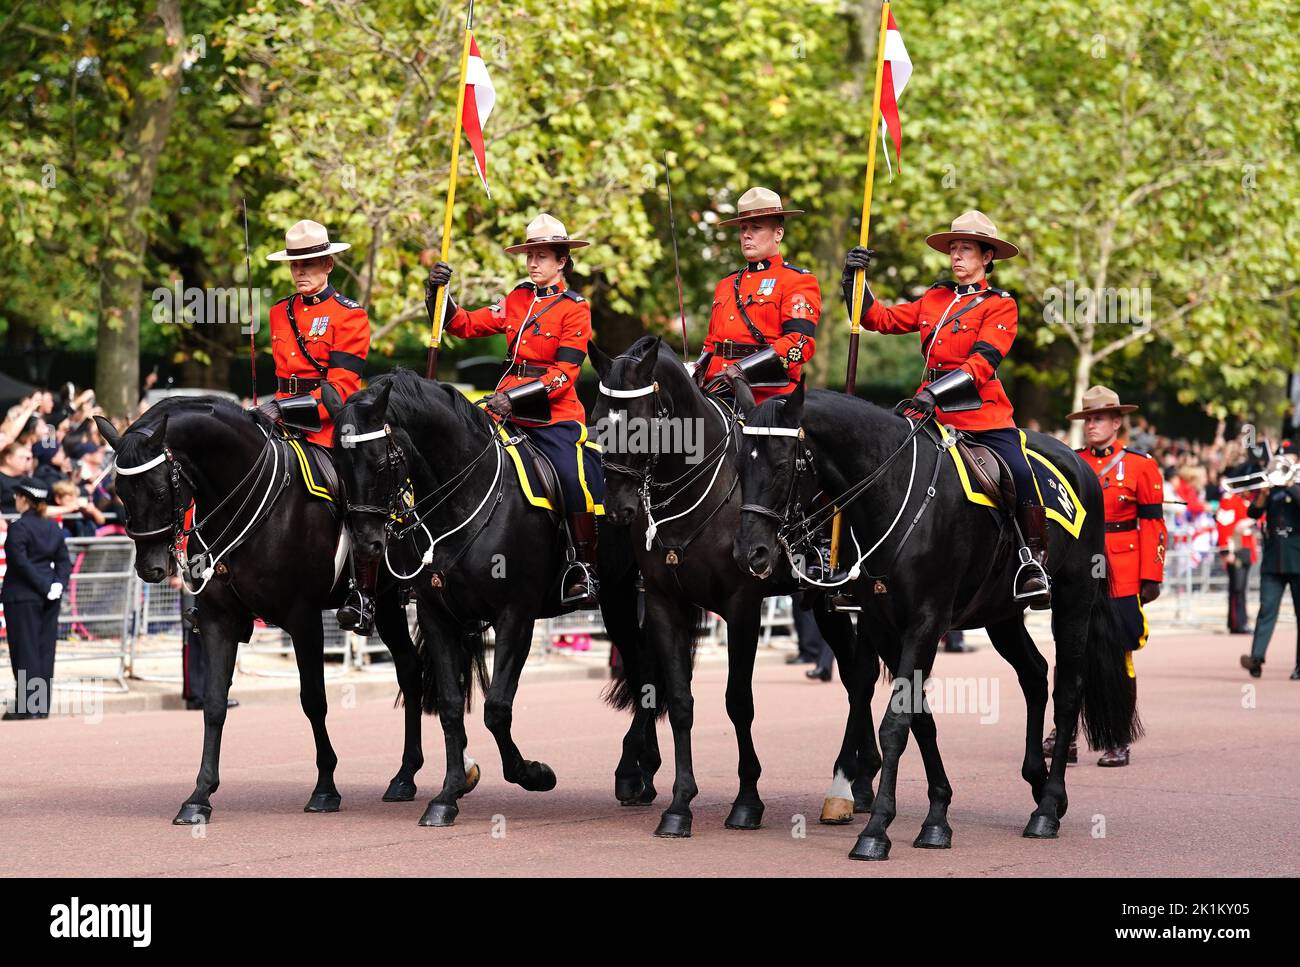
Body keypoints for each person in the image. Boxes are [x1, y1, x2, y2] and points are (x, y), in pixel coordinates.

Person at [844, 210, 1050, 606]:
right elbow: (878, 319)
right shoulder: (935, 298)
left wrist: (936, 394)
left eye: (966, 249)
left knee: (1022, 471)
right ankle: (858, 564)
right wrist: (855, 281)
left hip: (981, 413)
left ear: (986, 257)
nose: (957, 256)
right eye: (953, 248)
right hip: (927, 411)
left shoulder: (1000, 305)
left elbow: (981, 364)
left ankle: (1031, 559)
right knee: (874, 464)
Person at [426, 212, 602, 608]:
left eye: (542, 255)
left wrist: (515, 399)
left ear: (561, 262)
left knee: (571, 478)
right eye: (530, 256)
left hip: (553, 416)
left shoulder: (575, 308)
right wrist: (439, 294)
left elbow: (565, 374)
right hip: (503, 409)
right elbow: (464, 324)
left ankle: (584, 566)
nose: (534, 263)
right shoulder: (517, 299)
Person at [264, 220, 373, 634]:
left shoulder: (349, 315)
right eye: (295, 264)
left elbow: (341, 389)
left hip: (329, 430)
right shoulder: (279, 312)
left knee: (359, 498)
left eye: (309, 262)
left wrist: (283, 410)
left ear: (328, 263)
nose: (301, 272)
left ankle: (361, 592)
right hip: (280, 425)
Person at [1063, 385, 1168, 767]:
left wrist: (1151, 574)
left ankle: (1118, 735)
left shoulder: (1141, 465)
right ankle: (1066, 734)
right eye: (1088, 418)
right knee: (1070, 650)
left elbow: (1154, 524)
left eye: (1099, 418)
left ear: (1117, 422)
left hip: (1123, 570)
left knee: (1118, 653)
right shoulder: (1070, 462)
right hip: (1077, 569)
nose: (1092, 425)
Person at [694, 186, 822, 403]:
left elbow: (799, 343)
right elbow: (711, 344)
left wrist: (743, 370)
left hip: (768, 397)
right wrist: (695, 369)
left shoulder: (797, 280)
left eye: (756, 228)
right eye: (743, 228)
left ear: (778, 234)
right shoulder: (725, 284)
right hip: (716, 393)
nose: (746, 235)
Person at [1, 478, 70, 719]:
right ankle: (40, 707)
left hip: (23, 596)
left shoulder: (19, 527)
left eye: (18, 497)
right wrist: (57, 585)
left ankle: (28, 707)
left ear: (25, 500)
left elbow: (19, 562)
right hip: (49, 595)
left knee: (25, 651)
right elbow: (64, 561)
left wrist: (46, 585)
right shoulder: (52, 527)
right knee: (44, 651)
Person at [1240, 440, 1300, 680]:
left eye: (1289, 457)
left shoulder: (1294, 485)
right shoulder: (1272, 485)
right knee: (1266, 610)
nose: (1283, 461)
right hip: (1273, 561)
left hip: (1298, 560)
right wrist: (1263, 494)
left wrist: (1290, 483)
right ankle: (1256, 658)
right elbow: (1253, 513)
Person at [1214, 481, 1257, 635]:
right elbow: (1224, 525)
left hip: (1246, 548)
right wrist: (1226, 551)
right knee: (1237, 588)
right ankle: (1237, 622)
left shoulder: (1247, 500)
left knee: (1241, 588)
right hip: (1235, 548)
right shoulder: (1230, 499)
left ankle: (1241, 621)